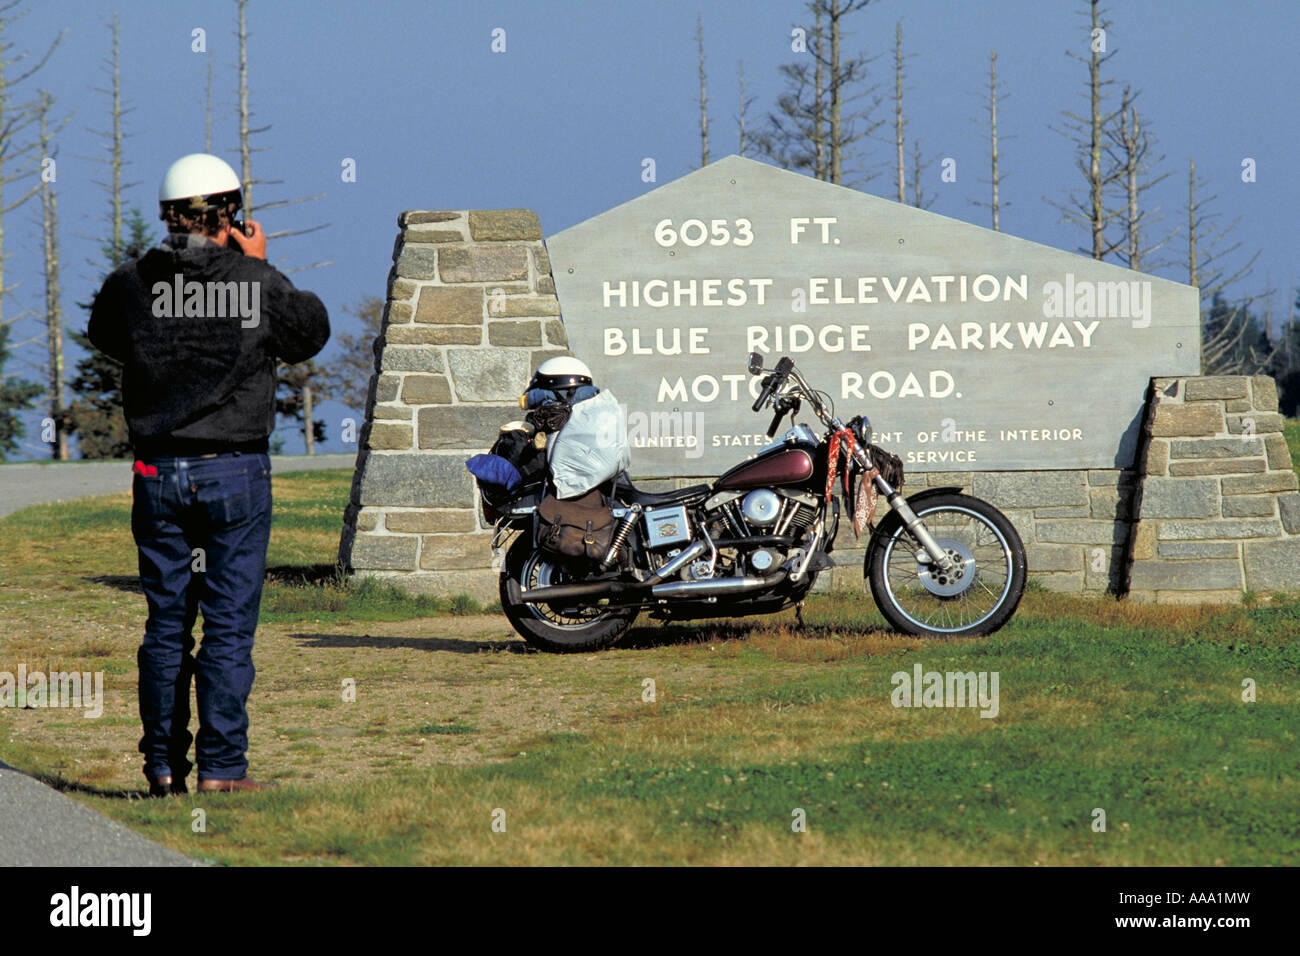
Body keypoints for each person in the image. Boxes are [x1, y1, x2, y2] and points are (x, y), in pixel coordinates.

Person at [87, 153, 329, 795]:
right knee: (226, 627)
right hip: (235, 470)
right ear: (231, 215)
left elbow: (108, 335)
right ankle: (223, 771)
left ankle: (162, 768)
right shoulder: (254, 280)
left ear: (167, 216)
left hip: (156, 469)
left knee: (166, 623)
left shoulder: (130, 283)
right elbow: (309, 333)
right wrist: (258, 263)